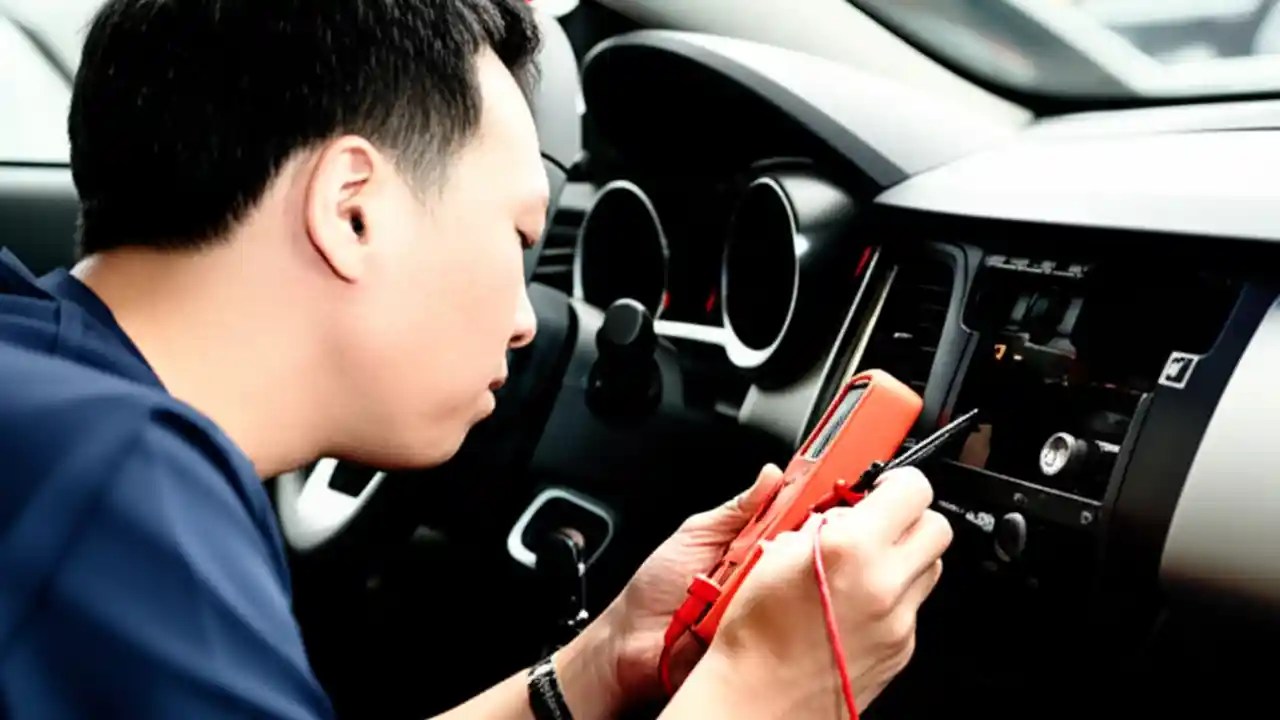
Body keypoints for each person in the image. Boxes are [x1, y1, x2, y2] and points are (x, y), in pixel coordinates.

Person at [0, 0, 953, 717]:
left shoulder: (46, 397)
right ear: (351, 210)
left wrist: (599, 659)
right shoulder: (120, 493)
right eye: (520, 240)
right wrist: (766, 689)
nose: (527, 323)